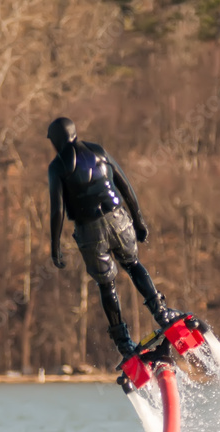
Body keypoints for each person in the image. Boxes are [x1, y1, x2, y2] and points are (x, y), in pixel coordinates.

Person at [47, 116, 182, 361]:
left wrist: (55, 246)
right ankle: (162, 313)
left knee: (107, 285)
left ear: (56, 139)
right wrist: (139, 221)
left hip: (90, 230)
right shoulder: (98, 151)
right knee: (133, 265)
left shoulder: (57, 166)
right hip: (119, 218)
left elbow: (57, 210)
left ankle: (123, 343)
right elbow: (125, 186)